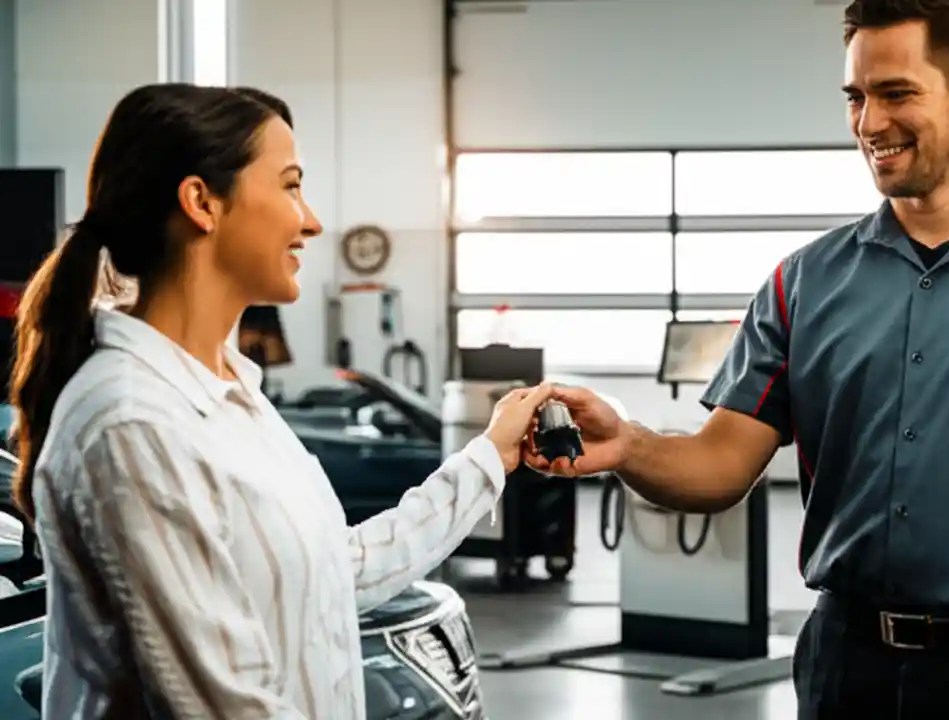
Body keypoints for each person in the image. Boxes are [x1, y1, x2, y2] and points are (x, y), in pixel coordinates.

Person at [527, 1, 949, 718]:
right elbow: (720, 465)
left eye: (896, 93)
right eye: (856, 97)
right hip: (844, 670)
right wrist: (627, 444)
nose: (870, 123)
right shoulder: (804, 283)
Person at [8, 83, 554, 719]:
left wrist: (490, 456)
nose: (311, 221)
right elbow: (227, 707)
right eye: (291, 186)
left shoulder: (232, 397)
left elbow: (336, 572)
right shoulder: (133, 422)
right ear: (201, 202)